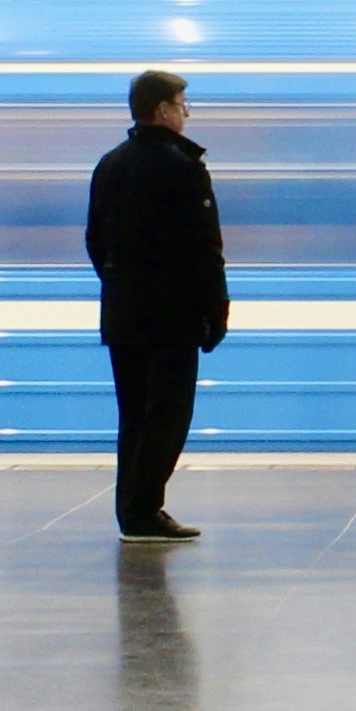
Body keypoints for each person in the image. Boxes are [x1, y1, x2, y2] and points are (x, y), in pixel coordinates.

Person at [86, 68, 228, 544]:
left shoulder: (110, 164)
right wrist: (216, 311)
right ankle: (145, 511)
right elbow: (203, 249)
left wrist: (121, 285)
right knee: (168, 414)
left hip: (123, 315)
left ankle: (133, 511)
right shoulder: (182, 168)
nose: (186, 114)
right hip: (172, 317)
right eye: (182, 104)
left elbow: (94, 240)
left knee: (134, 415)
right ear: (163, 109)